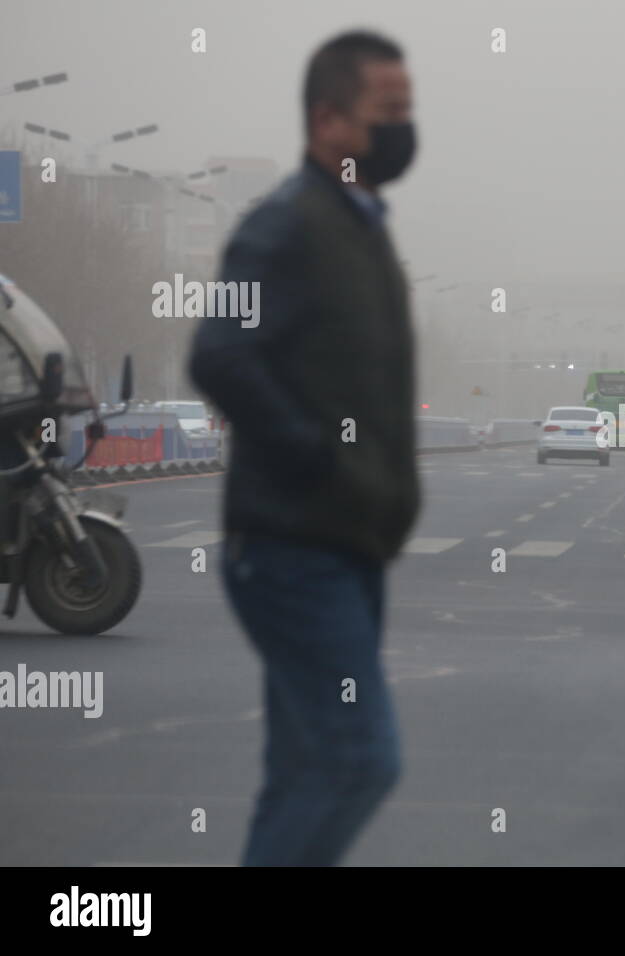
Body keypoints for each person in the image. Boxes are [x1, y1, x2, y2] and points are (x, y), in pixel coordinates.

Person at [188, 30, 420, 866]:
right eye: (386, 113)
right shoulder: (285, 226)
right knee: (358, 761)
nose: (403, 130)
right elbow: (220, 351)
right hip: (294, 545)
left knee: (303, 772)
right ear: (329, 119)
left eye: (407, 111)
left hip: (345, 544)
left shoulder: (359, 225)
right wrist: (316, 457)